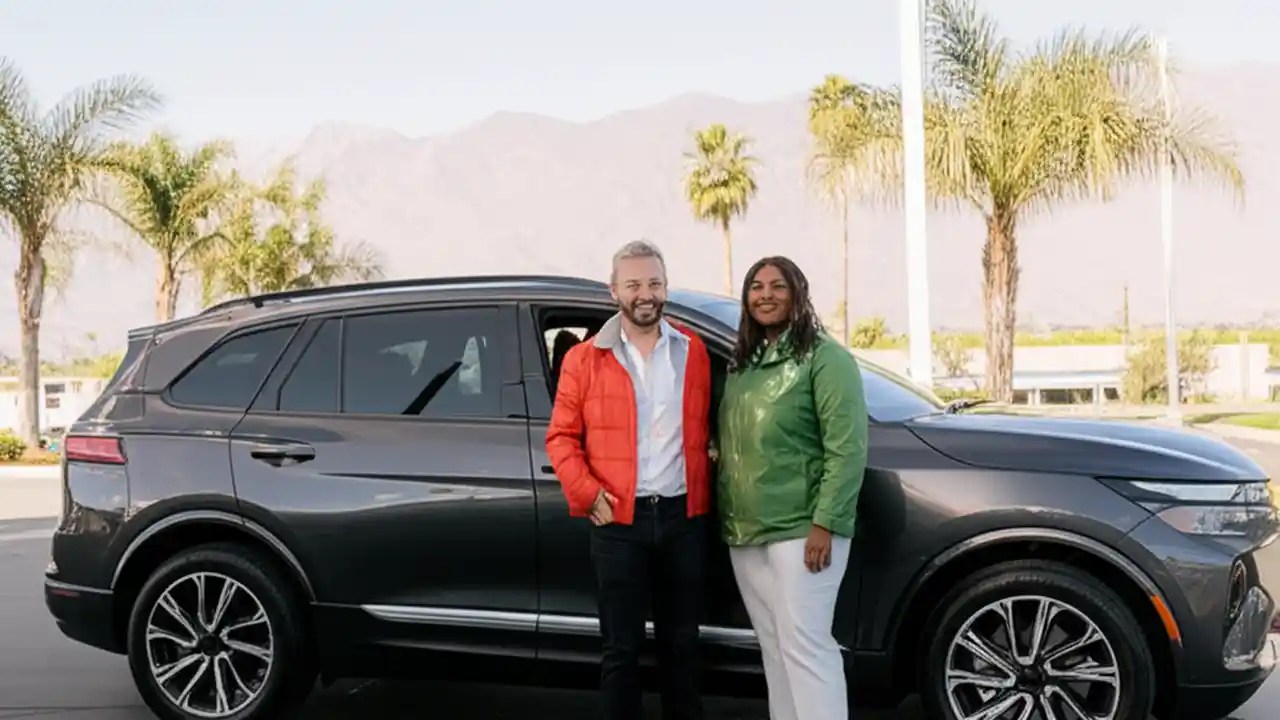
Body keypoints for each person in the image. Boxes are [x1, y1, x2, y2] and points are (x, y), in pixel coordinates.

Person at [546, 239, 713, 720]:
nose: (646, 294)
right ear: (613, 290)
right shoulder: (584, 359)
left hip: (683, 519)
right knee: (621, 652)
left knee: (683, 650)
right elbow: (560, 438)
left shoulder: (693, 350)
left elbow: (707, 425)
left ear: (666, 287)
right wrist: (587, 494)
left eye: (655, 283)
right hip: (619, 523)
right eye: (635, 284)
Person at [716, 255, 869, 720]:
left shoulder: (825, 358)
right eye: (756, 286)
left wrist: (825, 523)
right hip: (747, 531)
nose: (766, 294)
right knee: (776, 650)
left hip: (803, 531)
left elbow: (847, 449)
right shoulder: (744, 363)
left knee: (807, 646)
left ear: (798, 293)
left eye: (778, 286)